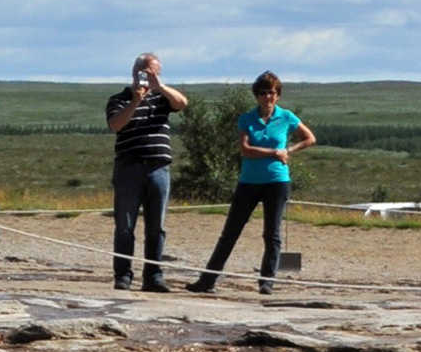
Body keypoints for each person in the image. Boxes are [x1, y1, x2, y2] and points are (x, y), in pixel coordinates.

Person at [185, 71, 312, 295]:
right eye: (262, 93)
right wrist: (274, 152)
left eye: (271, 93)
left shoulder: (286, 117)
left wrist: (288, 151)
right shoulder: (246, 118)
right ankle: (207, 280)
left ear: (278, 95)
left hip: (277, 180)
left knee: (271, 234)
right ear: (256, 96)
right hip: (249, 181)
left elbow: (309, 138)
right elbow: (246, 150)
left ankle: (266, 281)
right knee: (231, 231)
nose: (267, 97)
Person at [105, 53, 190, 292]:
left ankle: (153, 275)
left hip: (158, 167)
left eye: (153, 71)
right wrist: (135, 101)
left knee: (156, 226)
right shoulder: (119, 99)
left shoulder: (162, 98)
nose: (147, 75)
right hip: (129, 167)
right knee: (125, 224)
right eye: (143, 71)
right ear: (134, 72)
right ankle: (123, 275)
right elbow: (115, 125)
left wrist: (159, 86)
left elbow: (182, 103)